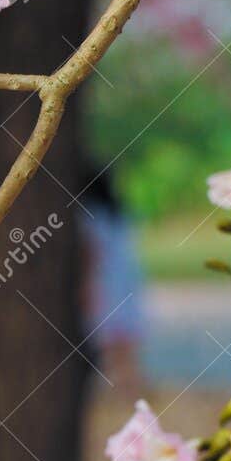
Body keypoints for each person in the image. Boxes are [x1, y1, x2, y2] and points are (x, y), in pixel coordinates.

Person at [80, 164, 147, 395]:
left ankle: (119, 393)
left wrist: (85, 291)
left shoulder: (88, 215)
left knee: (108, 348)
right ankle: (132, 390)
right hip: (126, 282)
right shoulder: (118, 213)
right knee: (126, 348)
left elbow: (92, 255)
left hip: (105, 285)